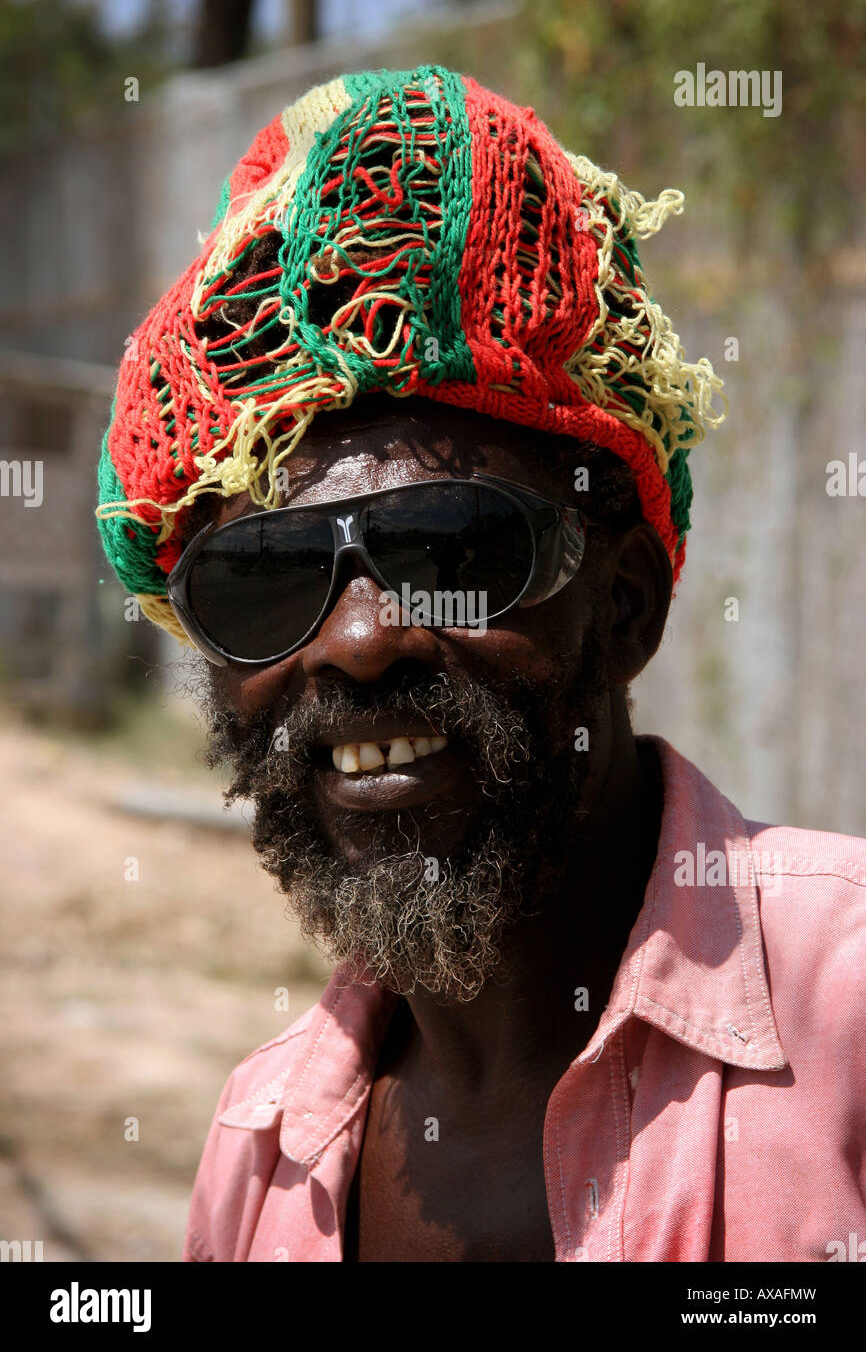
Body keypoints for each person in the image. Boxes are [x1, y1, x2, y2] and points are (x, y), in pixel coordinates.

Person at [95, 66, 866, 1263]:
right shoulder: (261, 1157)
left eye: (449, 545)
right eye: (262, 576)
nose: (357, 643)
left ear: (623, 605)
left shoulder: (844, 1020)